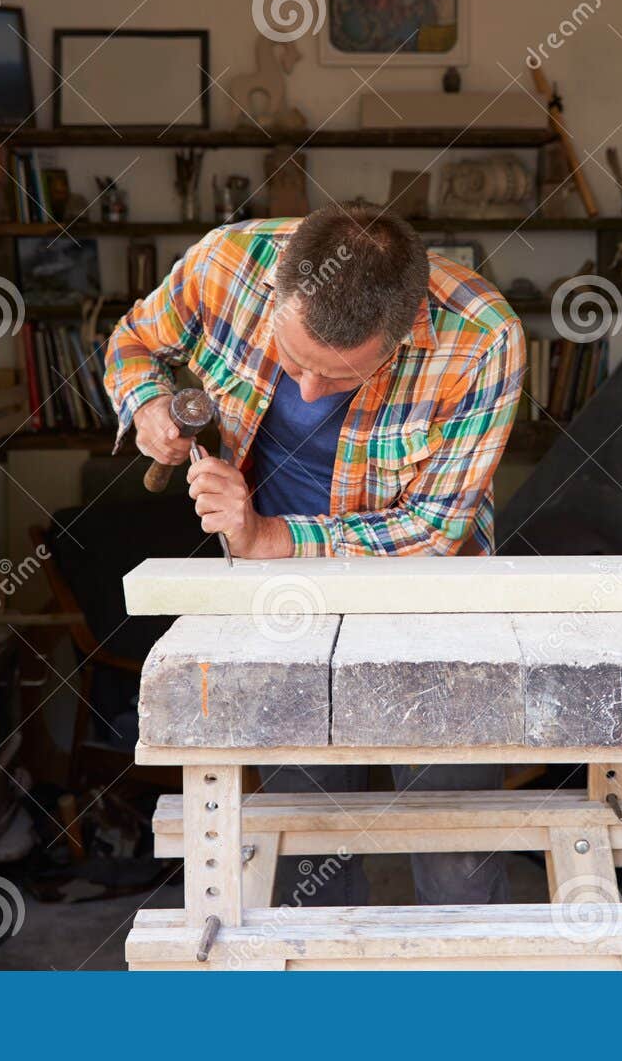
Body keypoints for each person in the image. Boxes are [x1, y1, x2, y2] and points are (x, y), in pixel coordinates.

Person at [103, 203, 525, 906]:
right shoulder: (224, 265)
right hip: (280, 605)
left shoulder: (484, 338)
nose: (308, 390)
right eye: (294, 359)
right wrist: (147, 402)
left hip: (431, 604)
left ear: (402, 334)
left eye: (339, 378)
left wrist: (268, 537)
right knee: (308, 845)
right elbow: (135, 341)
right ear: (276, 293)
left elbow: (431, 530)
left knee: (458, 851)